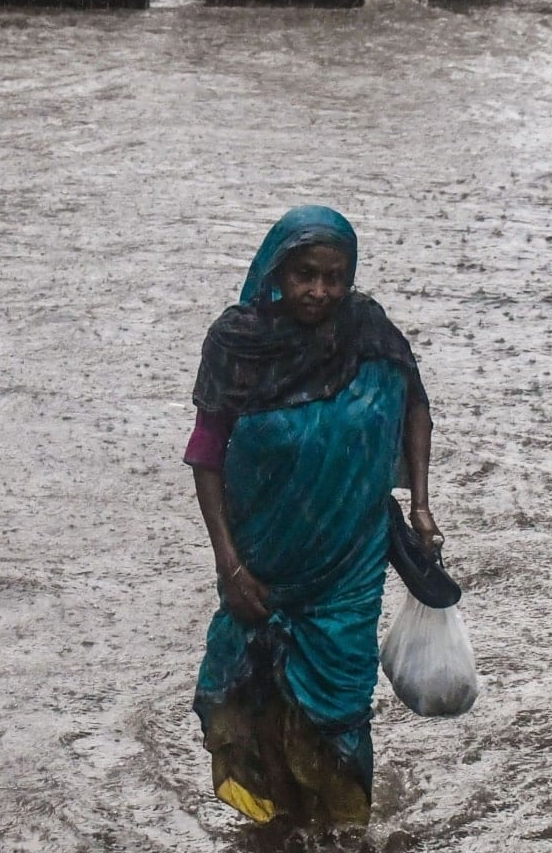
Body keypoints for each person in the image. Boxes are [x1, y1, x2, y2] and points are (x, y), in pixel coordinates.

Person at [186, 206, 441, 831]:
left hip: (350, 563)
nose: (319, 291)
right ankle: (277, 824)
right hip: (262, 564)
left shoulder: (368, 331)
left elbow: (414, 407)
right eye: (305, 275)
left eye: (335, 277)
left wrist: (421, 504)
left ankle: (345, 830)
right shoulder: (238, 342)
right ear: (277, 271)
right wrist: (230, 563)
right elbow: (207, 453)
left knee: (341, 707)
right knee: (251, 691)